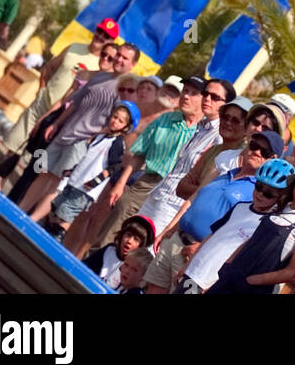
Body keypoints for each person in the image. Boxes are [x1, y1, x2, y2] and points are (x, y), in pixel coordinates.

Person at [142, 127, 284, 293]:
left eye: (265, 151)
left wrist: (200, 249)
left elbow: (235, 235)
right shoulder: (225, 171)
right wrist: (169, 230)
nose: (257, 152)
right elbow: (194, 198)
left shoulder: (259, 193)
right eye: (254, 145)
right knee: (153, 289)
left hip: (195, 252)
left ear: (273, 159)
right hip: (176, 238)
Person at [17, 44, 141, 217]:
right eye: (118, 55)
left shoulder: (125, 90)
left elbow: (119, 122)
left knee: (58, 183)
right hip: (66, 133)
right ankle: (18, 211)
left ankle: (32, 220)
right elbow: (75, 102)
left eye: (125, 58)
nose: (119, 60)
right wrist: (57, 124)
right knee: (43, 173)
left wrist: (92, 138)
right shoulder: (99, 77)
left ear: (133, 64)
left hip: (83, 143)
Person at [98, 75, 213, 242]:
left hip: (176, 195)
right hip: (147, 182)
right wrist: (121, 184)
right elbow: (139, 153)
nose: (186, 96)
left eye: (193, 93)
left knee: (145, 245)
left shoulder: (206, 132)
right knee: (114, 231)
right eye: (185, 91)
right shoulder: (165, 119)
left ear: (204, 99)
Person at [172, 157, 295, 295]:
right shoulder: (240, 206)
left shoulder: (268, 224)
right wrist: (189, 266)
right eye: (259, 187)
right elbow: (213, 235)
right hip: (195, 273)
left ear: (282, 197)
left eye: (268, 193)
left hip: (211, 283)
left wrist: (217, 284)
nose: (260, 194)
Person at [206, 162, 295, 296]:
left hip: (255, 290)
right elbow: (251, 241)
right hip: (230, 279)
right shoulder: (278, 208)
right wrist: (228, 265)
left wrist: (253, 280)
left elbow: (293, 272)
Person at [135, 76, 234, 235]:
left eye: (215, 97)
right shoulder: (201, 127)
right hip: (159, 193)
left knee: (145, 254)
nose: (207, 99)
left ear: (227, 105)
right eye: (205, 94)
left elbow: (207, 181)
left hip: (174, 205)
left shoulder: (220, 136)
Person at [4, 18, 120, 153]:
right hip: (42, 104)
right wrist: (41, 90)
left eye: (106, 36)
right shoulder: (74, 47)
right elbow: (49, 67)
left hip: (59, 118)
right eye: (100, 31)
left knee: (33, 160)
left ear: (111, 41)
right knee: (12, 145)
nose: (100, 36)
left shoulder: (104, 66)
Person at [36, 101, 139, 234]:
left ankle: (56, 238)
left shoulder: (117, 143)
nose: (115, 121)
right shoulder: (101, 136)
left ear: (126, 126)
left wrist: (96, 181)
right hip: (75, 181)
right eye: (115, 117)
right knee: (56, 208)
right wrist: (71, 171)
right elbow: (87, 157)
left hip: (86, 189)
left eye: (120, 121)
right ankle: (46, 234)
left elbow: (115, 167)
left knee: (65, 215)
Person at [84, 214, 155, 289]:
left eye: (136, 239)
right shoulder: (109, 250)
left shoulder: (135, 269)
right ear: (122, 235)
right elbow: (86, 268)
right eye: (128, 235)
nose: (129, 241)